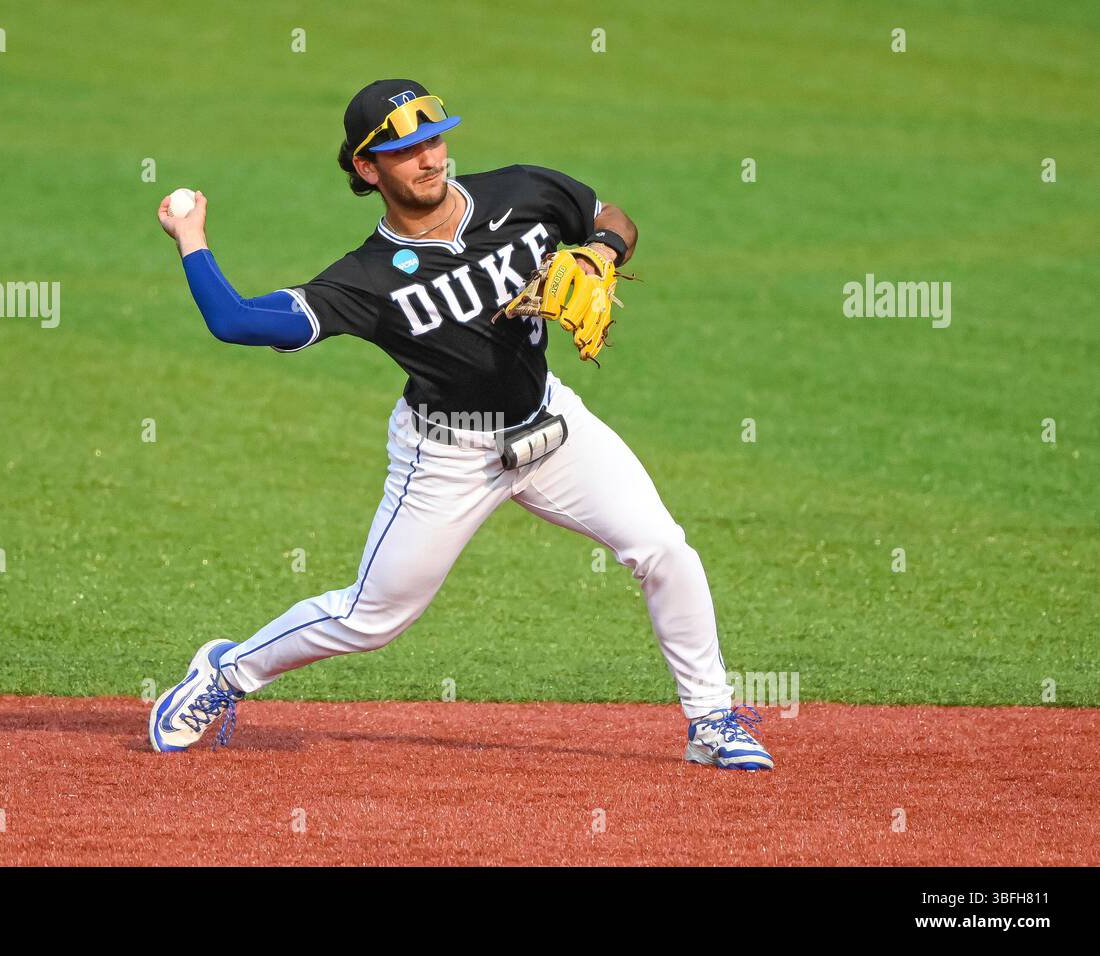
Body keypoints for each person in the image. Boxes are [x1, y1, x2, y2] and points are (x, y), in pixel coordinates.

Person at [149, 79, 773, 771]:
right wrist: (192, 237)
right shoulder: (366, 279)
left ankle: (711, 719)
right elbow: (235, 320)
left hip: (554, 424)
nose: (428, 159)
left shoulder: (523, 193)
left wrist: (600, 253)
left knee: (664, 548)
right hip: (446, 456)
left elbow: (611, 215)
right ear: (367, 168)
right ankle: (225, 672)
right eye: (406, 150)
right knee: (371, 618)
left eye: (434, 139)